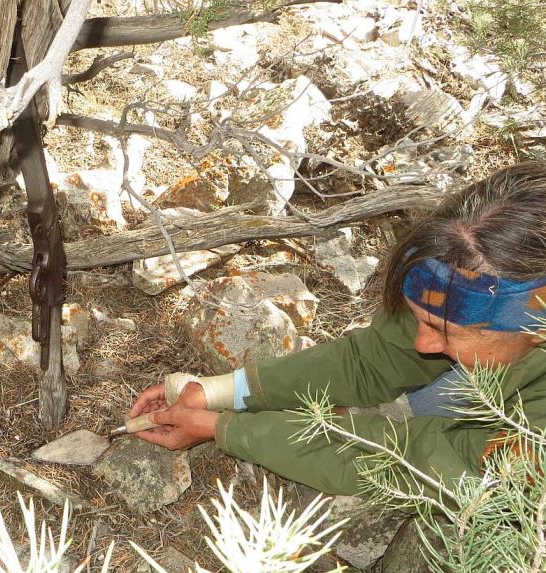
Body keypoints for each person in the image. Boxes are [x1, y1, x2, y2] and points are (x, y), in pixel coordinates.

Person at [127, 162, 546, 496]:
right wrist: (220, 393)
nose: (423, 342)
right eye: (422, 321)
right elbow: (371, 362)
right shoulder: (467, 273)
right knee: (440, 391)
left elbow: (425, 463)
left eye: (447, 331)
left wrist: (227, 430)